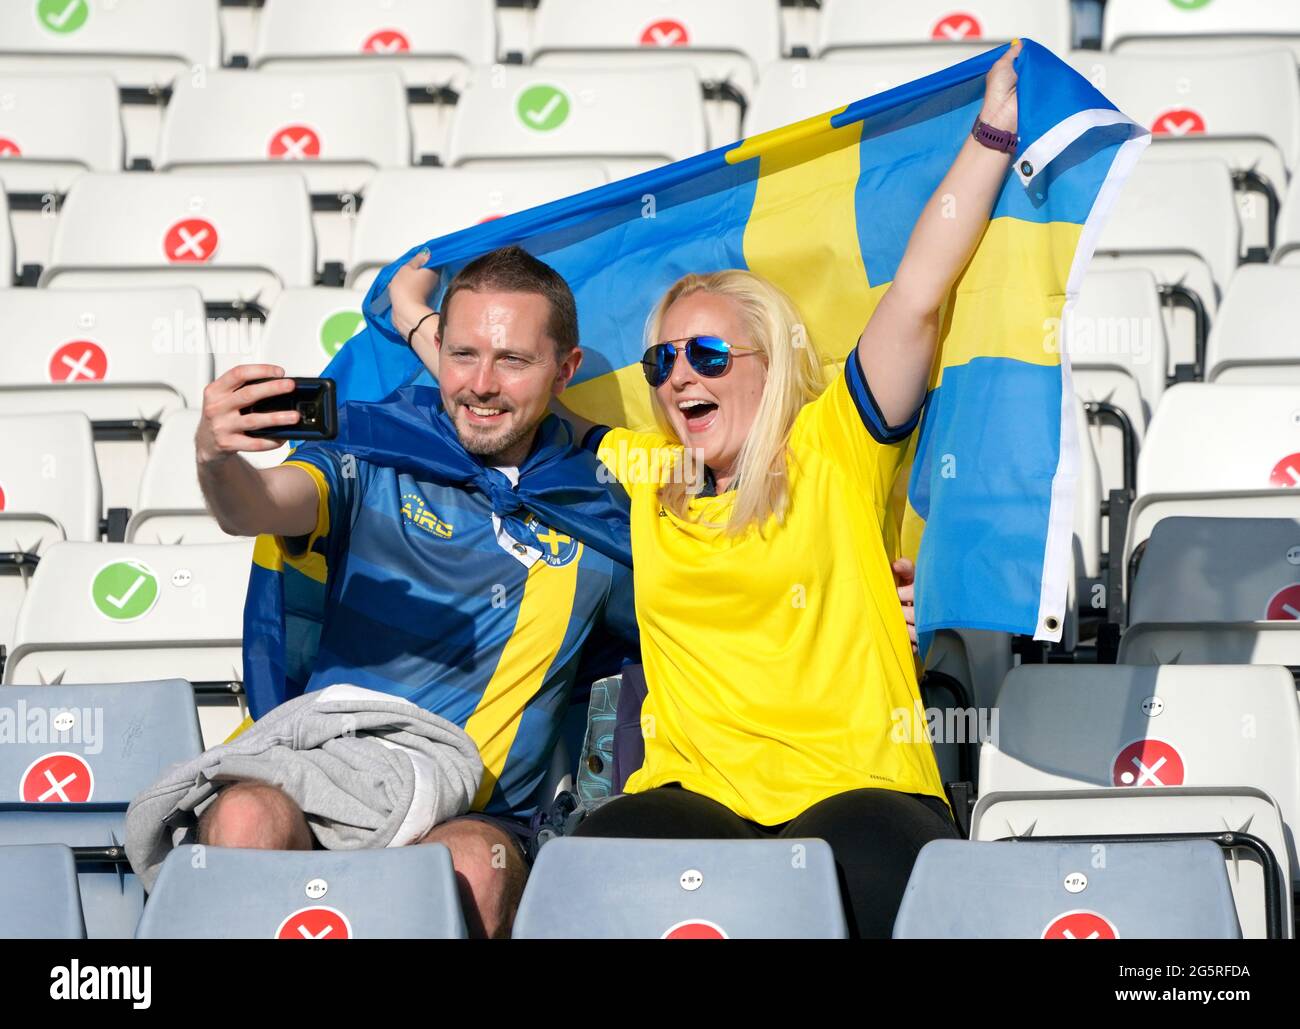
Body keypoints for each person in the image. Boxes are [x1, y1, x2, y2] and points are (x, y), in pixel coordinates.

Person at [563, 44, 1024, 938]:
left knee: (886, 876)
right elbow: (505, 396)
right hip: (692, 792)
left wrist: (993, 137)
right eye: (662, 360)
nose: (677, 378)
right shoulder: (652, 475)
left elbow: (921, 294)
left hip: (858, 784)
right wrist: (425, 321)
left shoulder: (833, 445)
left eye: (706, 355)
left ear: (769, 368)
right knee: (597, 871)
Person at [195, 245, 635, 938]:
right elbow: (255, 504)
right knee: (245, 816)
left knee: (473, 864)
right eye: (461, 354)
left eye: (513, 360)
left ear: (567, 369)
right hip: (321, 778)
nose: (481, 383)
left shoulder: (601, 512)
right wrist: (215, 458)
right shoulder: (376, 453)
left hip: (472, 816)